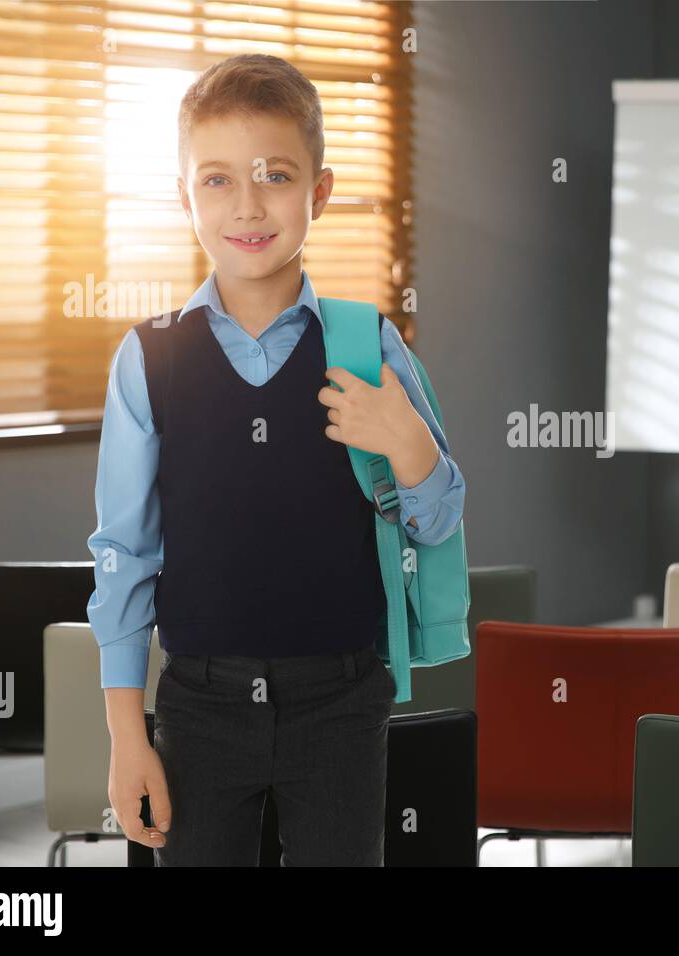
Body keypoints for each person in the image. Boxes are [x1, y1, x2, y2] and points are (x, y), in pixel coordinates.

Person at [86, 53, 465, 865]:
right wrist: (128, 734)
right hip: (197, 706)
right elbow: (124, 557)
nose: (248, 205)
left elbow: (439, 516)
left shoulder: (367, 346)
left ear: (319, 192)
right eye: (217, 180)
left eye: (276, 175)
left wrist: (409, 446)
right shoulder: (147, 359)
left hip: (342, 701)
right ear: (185, 196)